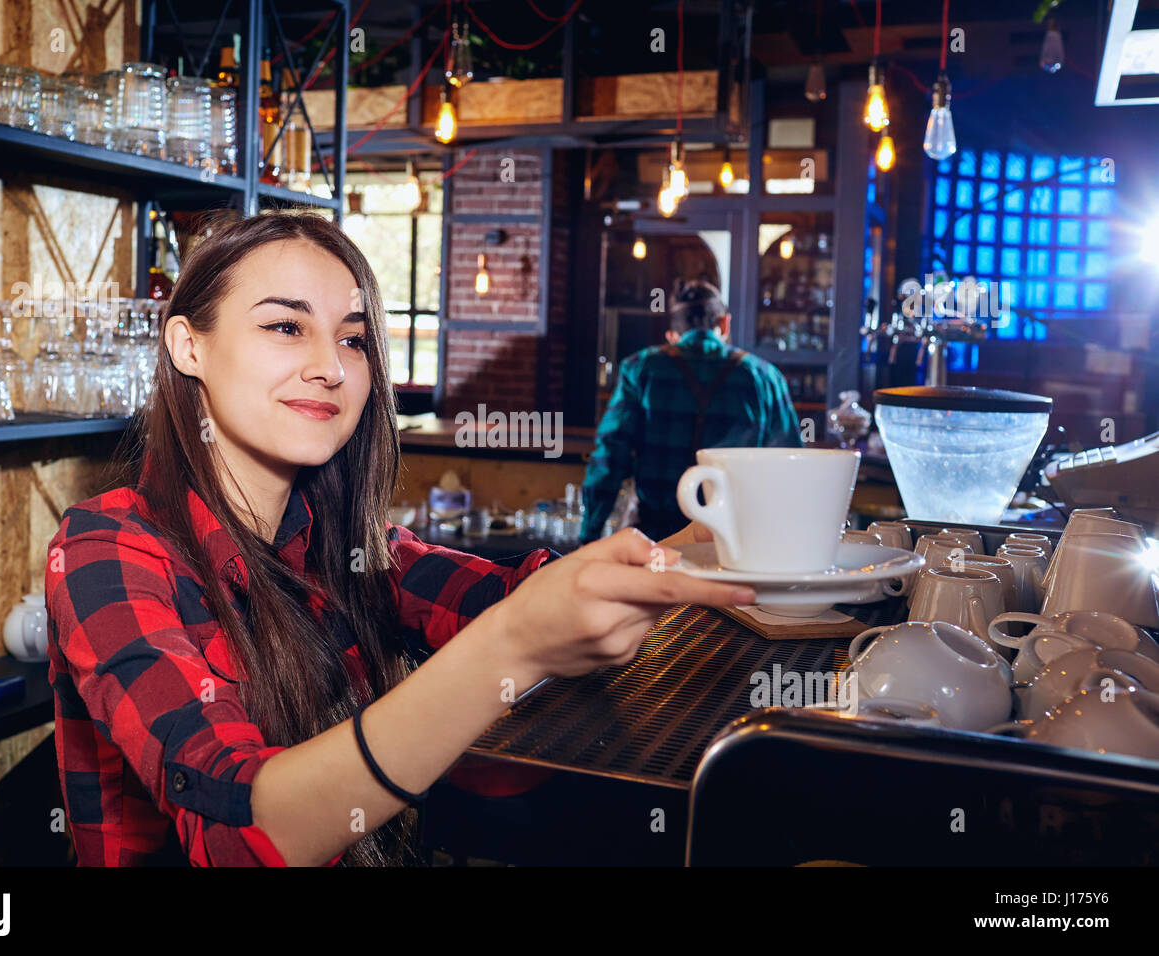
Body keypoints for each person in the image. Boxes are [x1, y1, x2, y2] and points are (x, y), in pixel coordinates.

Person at [44, 213, 757, 867]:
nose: (331, 366)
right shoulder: (106, 550)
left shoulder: (348, 547)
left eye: (353, 338)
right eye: (287, 327)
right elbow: (239, 829)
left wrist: (687, 557)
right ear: (188, 345)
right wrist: (512, 644)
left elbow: (510, 595)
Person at [581, 280, 804, 544]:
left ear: (673, 334)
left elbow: (609, 459)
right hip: (731, 539)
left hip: (655, 541)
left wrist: (589, 534)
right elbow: (790, 466)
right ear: (724, 324)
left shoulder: (640, 368)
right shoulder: (765, 376)